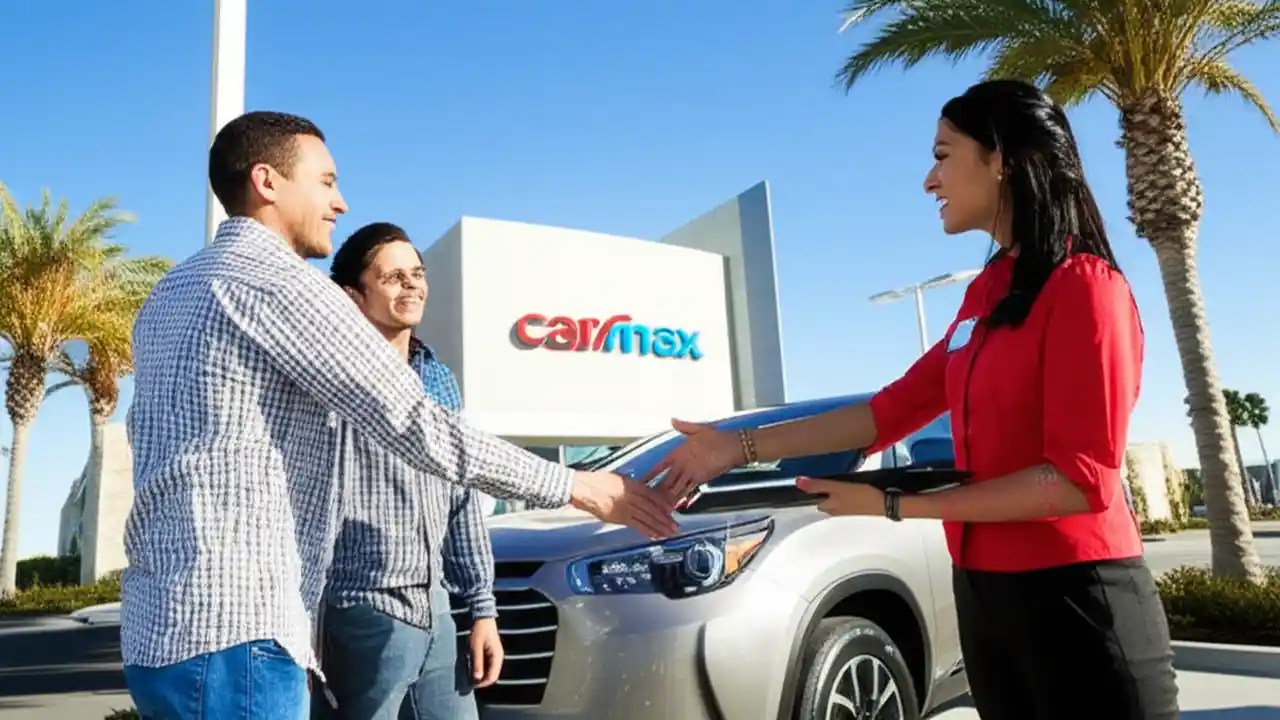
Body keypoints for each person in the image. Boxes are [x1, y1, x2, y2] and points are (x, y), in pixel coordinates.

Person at [647, 80, 1179, 720]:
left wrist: (893, 504)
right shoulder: (987, 293)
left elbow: (1077, 482)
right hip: (985, 598)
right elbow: (886, 411)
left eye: (943, 154)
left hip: (1078, 600)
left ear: (1001, 158)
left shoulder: (1085, 289)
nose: (930, 179)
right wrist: (738, 446)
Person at [121, 111, 677, 720]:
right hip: (239, 636)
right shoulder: (281, 283)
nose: (340, 201)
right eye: (326, 181)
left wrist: (478, 604)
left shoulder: (172, 290)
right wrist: (576, 485)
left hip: (161, 631)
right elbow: (417, 423)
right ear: (267, 182)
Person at [314, 222, 497, 720]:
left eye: (416, 273)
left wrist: (482, 608)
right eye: (394, 277)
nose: (412, 285)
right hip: (358, 610)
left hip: (436, 609)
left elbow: (462, 496)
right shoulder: (331, 381)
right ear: (353, 296)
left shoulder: (438, 378)